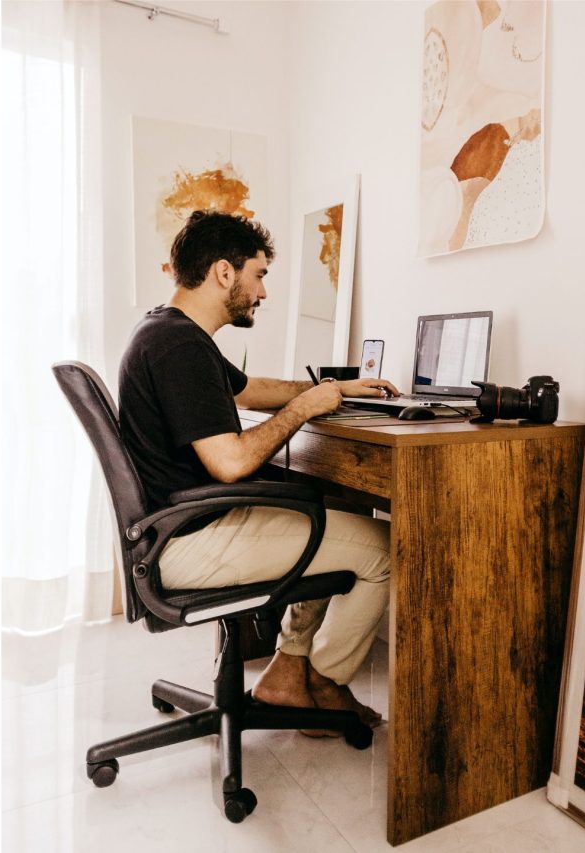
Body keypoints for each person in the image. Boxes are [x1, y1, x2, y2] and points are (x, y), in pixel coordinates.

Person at [119, 210, 400, 733]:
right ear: (224, 272)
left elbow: (248, 391)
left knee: (334, 514)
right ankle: (325, 684)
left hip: (172, 530)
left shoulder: (168, 331)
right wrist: (303, 410)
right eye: (259, 275)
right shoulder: (180, 346)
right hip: (190, 543)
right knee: (385, 549)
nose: (263, 292)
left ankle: (287, 674)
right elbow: (230, 463)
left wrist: (332, 390)